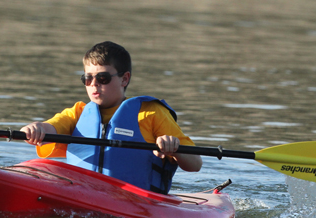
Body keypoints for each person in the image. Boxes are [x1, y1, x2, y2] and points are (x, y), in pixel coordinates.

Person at [20, 41, 202, 194]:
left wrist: (174, 148)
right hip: (83, 195)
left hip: (138, 202)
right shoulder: (77, 113)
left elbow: (195, 164)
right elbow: (49, 127)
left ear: (124, 79)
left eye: (103, 78)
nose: (94, 84)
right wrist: (36, 128)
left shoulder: (151, 113)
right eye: (87, 78)